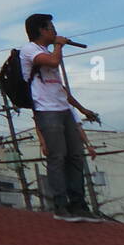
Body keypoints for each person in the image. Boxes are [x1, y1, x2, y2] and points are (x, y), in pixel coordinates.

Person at [20, 14, 101, 222]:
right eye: (51, 28)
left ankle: (79, 204)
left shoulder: (47, 50)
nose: (55, 31)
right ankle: (60, 206)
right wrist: (59, 46)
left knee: (75, 156)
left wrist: (83, 110)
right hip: (46, 111)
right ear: (41, 30)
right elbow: (54, 62)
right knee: (57, 157)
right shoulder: (30, 50)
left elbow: (61, 88)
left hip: (63, 109)